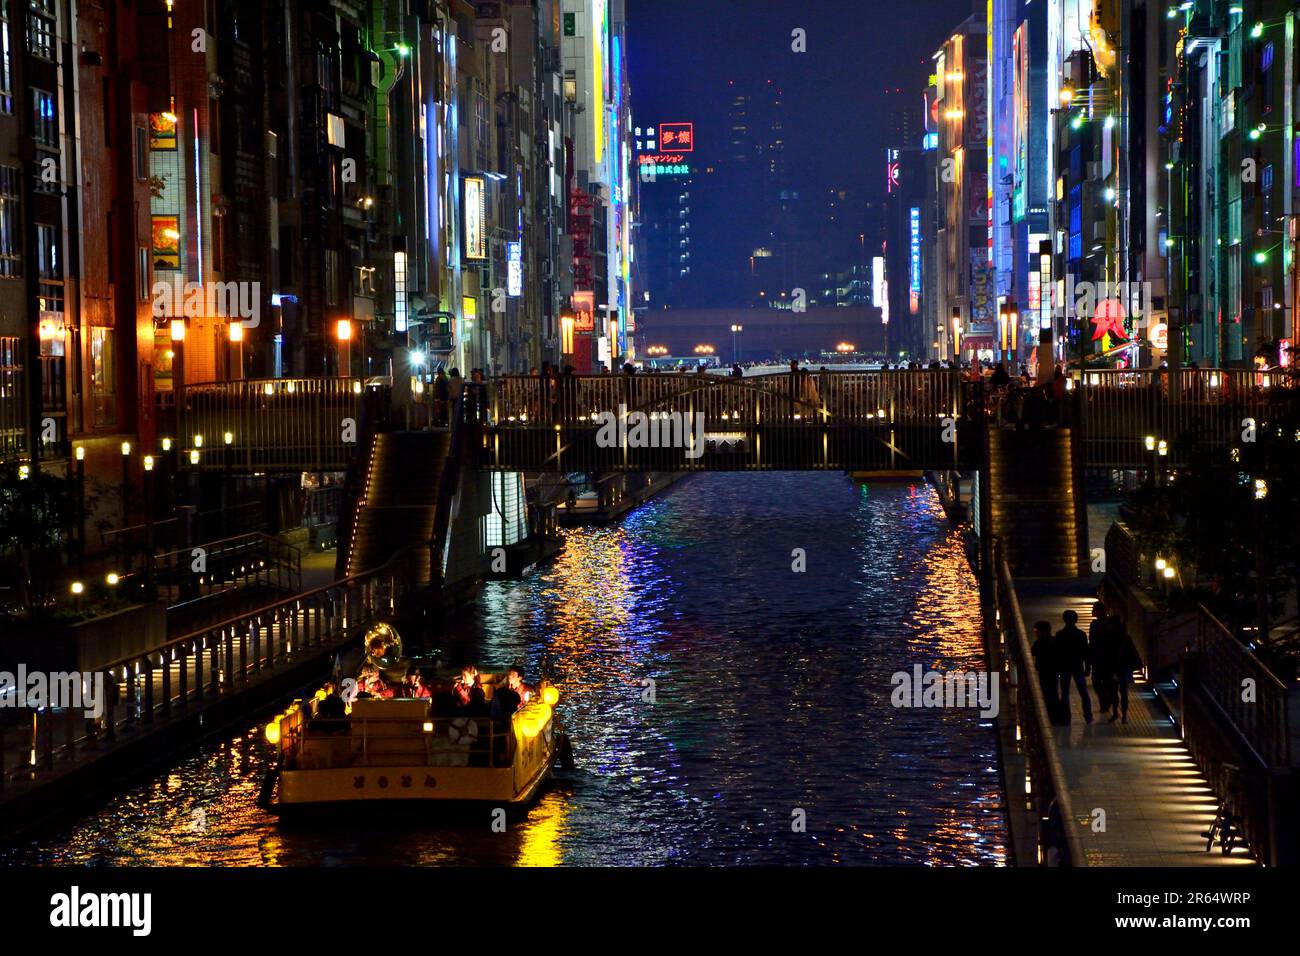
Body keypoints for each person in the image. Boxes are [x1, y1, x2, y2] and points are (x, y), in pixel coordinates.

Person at [1055, 609, 1093, 725]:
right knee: (1083, 692)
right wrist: (1087, 667)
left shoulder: (1060, 635)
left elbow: (1057, 653)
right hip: (1077, 666)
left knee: (1065, 693)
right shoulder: (1081, 635)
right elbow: (1086, 652)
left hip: (1064, 666)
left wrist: (1057, 668)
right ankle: (1088, 716)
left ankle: (1066, 718)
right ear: (1076, 620)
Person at [1087, 602, 1117, 717]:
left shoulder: (1095, 625)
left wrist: (1089, 660)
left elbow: (1092, 642)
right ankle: (1106, 702)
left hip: (1099, 657)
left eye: (1094, 609)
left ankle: (1105, 702)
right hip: (1107, 658)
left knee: (1097, 681)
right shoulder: (1109, 624)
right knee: (1104, 681)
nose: (1092, 611)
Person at [1031, 620, 1062, 724]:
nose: (1035, 633)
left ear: (1041, 631)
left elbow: (1033, 651)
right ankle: (1057, 716)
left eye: (1036, 630)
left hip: (1044, 671)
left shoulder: (1039, 642)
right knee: (1054, 692)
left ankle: (1051, 716)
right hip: (1053, 670)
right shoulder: (1055, 640)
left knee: (1047, 693)